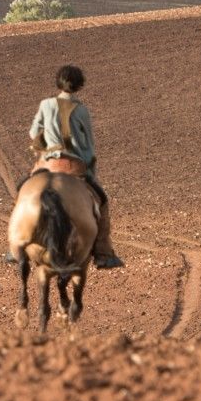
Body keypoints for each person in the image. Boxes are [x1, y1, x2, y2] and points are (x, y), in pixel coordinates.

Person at [13, 64, 123, 269]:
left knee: (21, 192)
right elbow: (89, 146)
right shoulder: (81, 110)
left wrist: (44, 142)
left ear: (59, 83)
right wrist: (90, 169)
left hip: (47, 162)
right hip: (73, 165)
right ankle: (103, 252)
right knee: (102, 201)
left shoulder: (45, 104)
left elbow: (32, 132)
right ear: (79, 85)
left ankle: (16, 243)